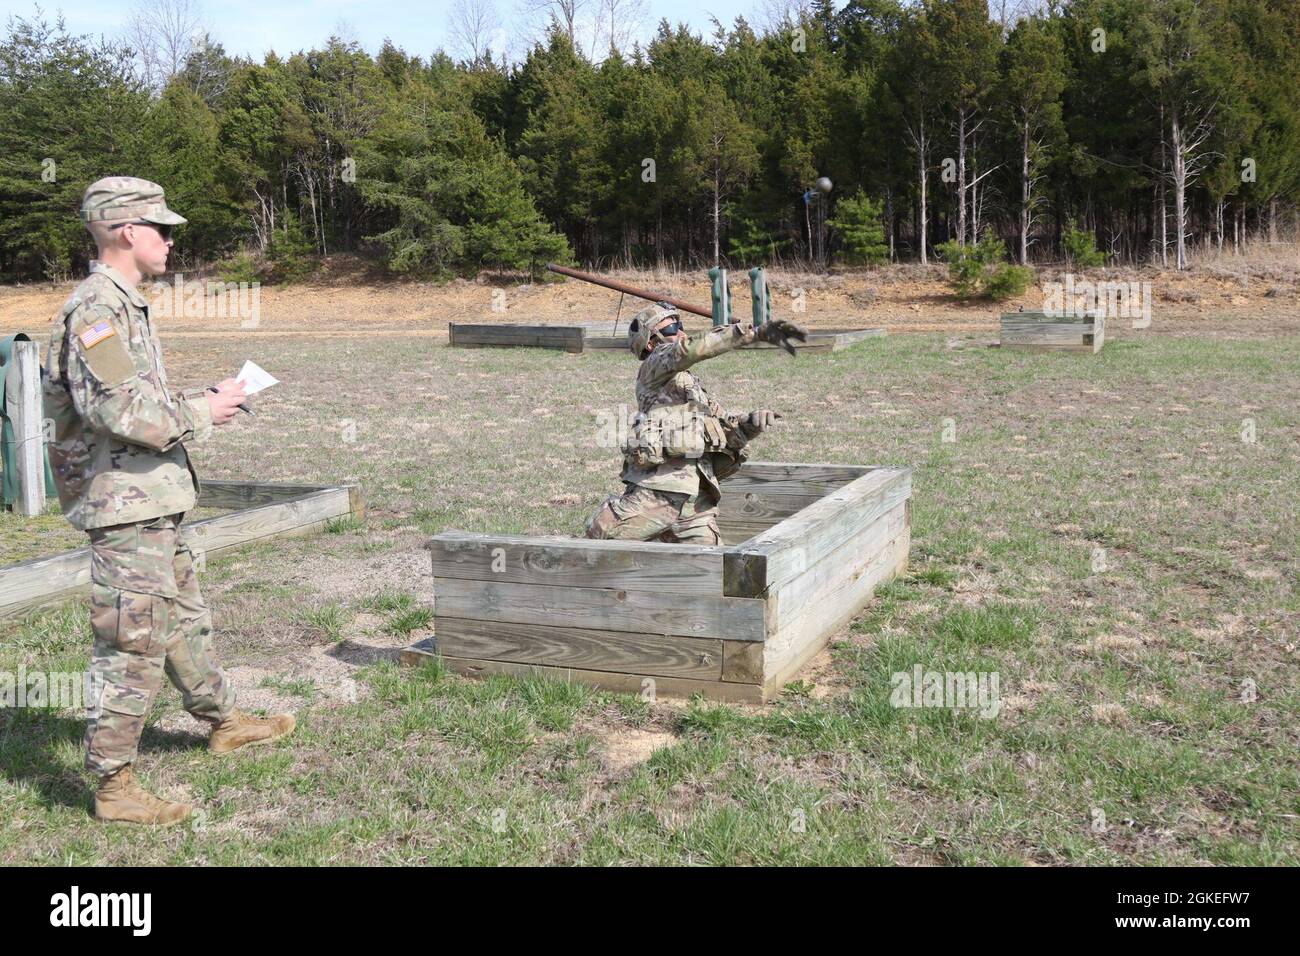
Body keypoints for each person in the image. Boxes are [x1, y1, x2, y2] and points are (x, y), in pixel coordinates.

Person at [44, 177, 295, 826]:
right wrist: (202, 410)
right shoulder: (96, 310)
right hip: (123, 507)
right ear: (128, 231)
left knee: (181, 616)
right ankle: (113, 785)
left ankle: (224, 721)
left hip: (149, 499)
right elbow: (117, 408)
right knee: (131, 643)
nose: (171, 238)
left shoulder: (124, 304)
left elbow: (133, 402)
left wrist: (200, 401)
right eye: (161, 226)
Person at [584, 302, 807, 545]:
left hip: (696, 502)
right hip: (656, 495)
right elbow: (691, 349)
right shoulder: (653, 366)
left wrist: (751, 423)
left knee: (716, 572)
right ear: (651, 343)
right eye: (671, 329)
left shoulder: (690, 386)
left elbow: (723, 430)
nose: (681, 333)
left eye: (681, 326)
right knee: (595, 548)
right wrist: (751, 333)